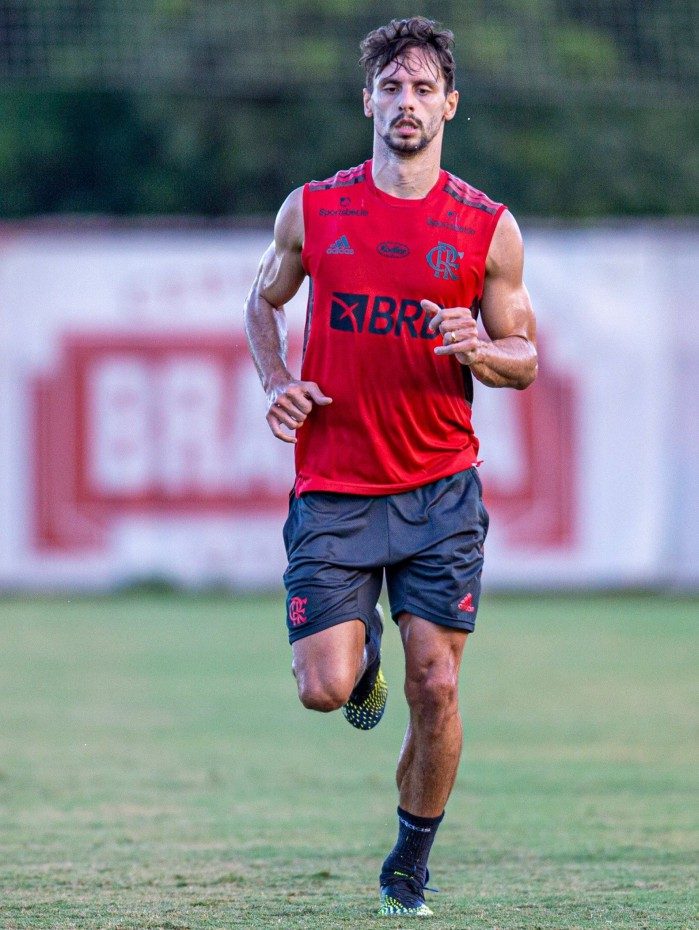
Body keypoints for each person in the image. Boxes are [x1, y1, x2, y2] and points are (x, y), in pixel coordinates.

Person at [244, 16, 537, 918]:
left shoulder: (486, 226)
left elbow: (525, 355)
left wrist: (481, 347)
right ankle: (360, 651)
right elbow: (262, 299)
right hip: (334, 484)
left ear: (449, 104)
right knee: (324, 690)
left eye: (422, 89)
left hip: (439, 488)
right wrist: (278, 380)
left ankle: (408, 863)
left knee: (436, 683)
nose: (405, 103)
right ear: (366, 102)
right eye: (390, 88)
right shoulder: (313, 209)